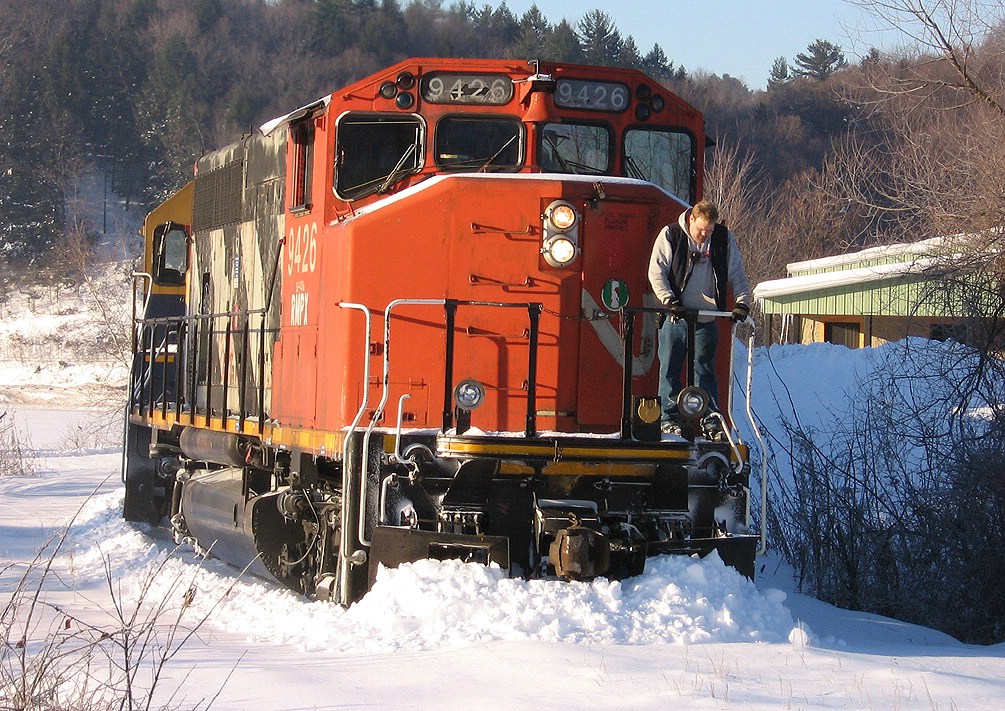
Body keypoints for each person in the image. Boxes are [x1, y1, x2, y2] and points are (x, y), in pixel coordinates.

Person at [647, 200, 751, 435]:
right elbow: (657, 271)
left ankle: (711, 421)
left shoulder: (723, 239)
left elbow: (736, 273)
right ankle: (668, 420)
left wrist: (743, 301)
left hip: (706, 318)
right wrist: (669, 301)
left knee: (705, 370)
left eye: (709, 230)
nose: (704, 235)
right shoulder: (671, 235)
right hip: (675, 317)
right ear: (691, 219)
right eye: (701, 229)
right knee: (669, 369)